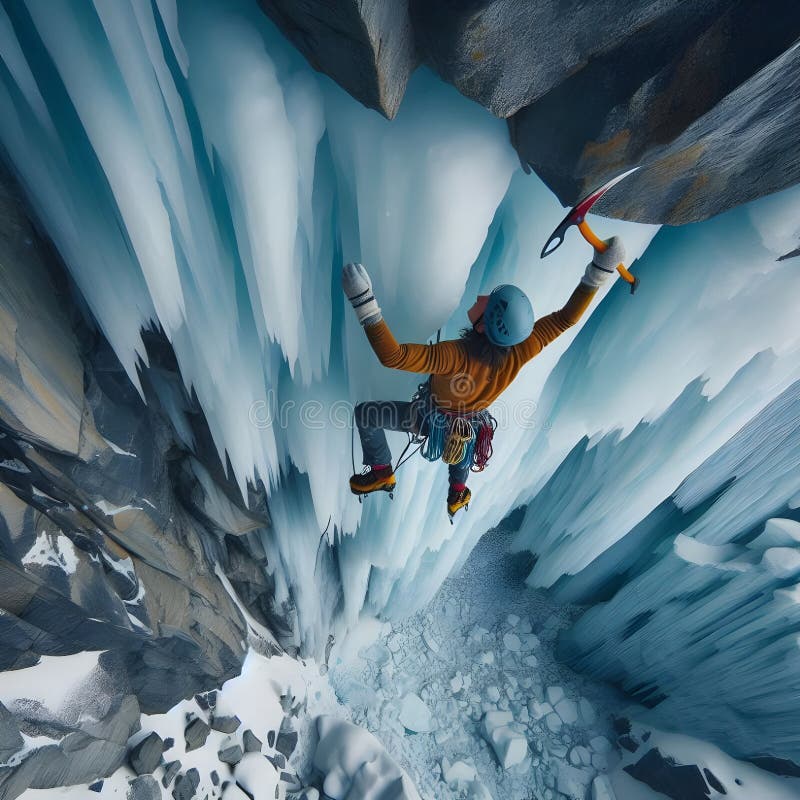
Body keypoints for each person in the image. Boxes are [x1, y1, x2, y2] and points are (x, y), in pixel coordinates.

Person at [342, 237, 626, 518]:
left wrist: (364, 302)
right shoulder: (519, 351)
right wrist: (599, 272)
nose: (482, 298)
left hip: (428, 418)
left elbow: (394, 356)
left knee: (366, 415)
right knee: (464, 442)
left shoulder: (454, 356)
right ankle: (457, 493)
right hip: (470, 424)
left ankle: (381, 472)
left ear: (482, 326)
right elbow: (565, 319)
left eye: (488, 303)